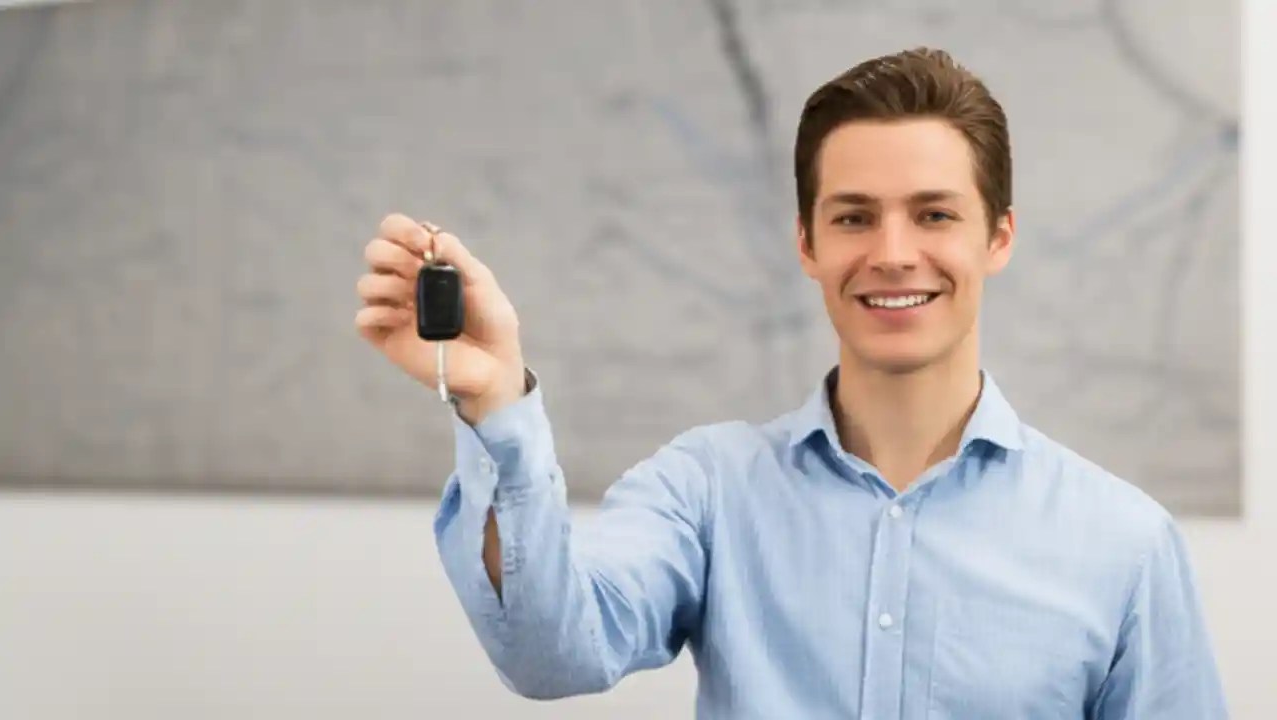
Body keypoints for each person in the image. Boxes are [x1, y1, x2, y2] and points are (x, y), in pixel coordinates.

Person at [355, 47, 1228, 718]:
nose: (892, 252)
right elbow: (551, 655)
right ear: (807, 243)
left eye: (934, 214)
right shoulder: (707, 491)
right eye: (854, 217)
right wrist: (494, 399)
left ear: (997, 238)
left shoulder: (1126, 543)